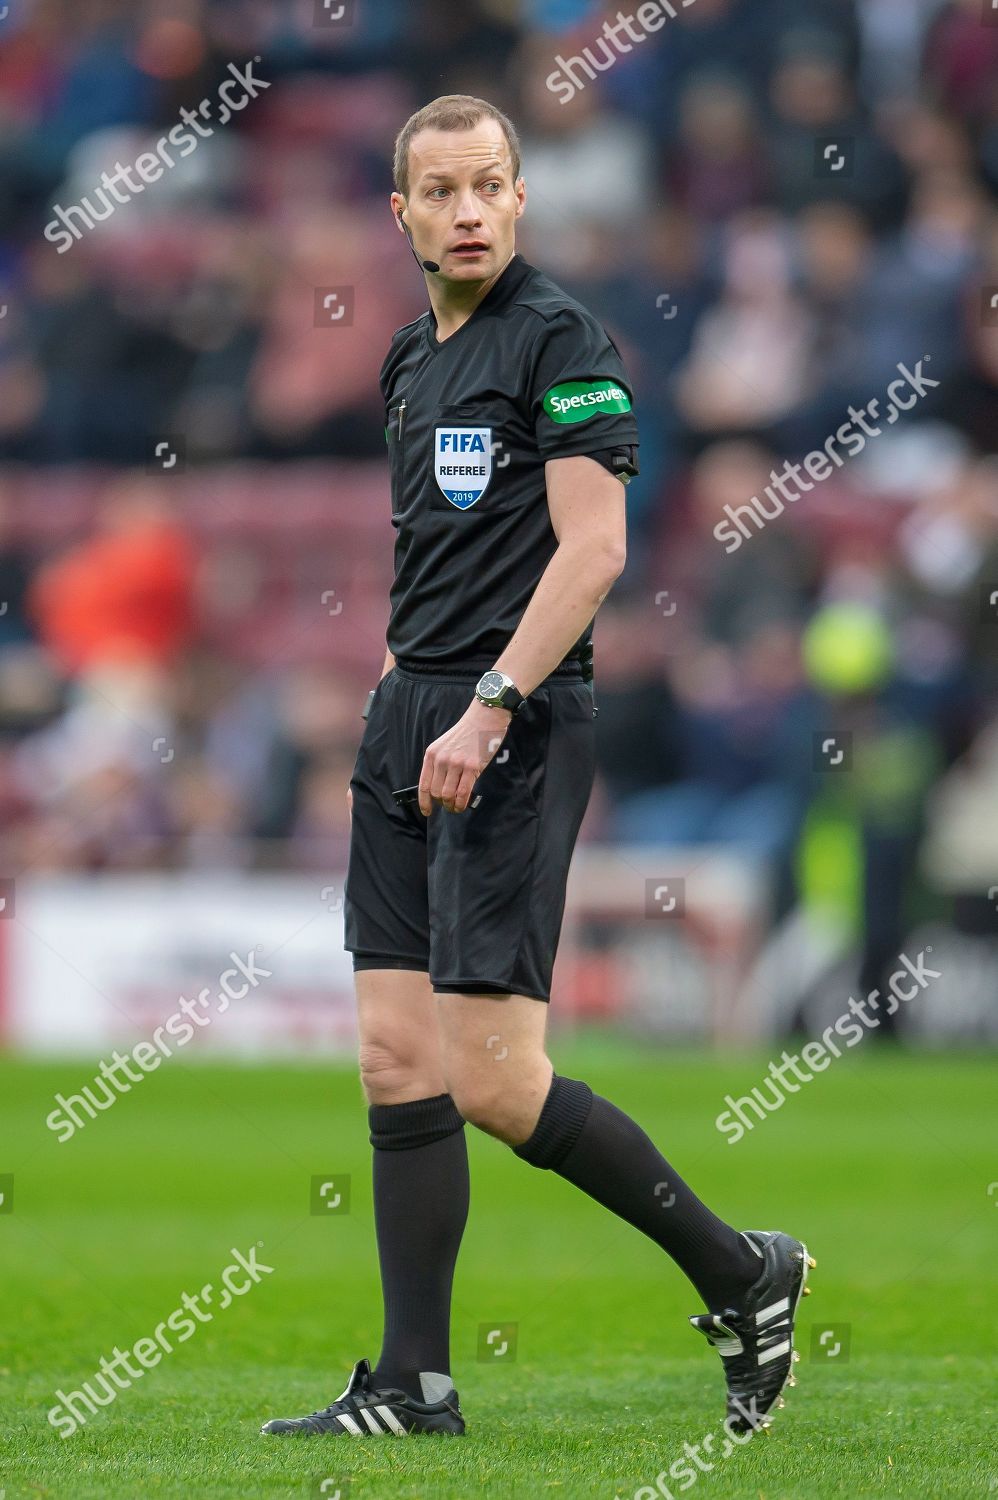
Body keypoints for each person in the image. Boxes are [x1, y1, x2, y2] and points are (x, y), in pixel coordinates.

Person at [261, 94, 812, 1442]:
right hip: (413, 715)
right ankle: (413, 1384)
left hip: (510, 724)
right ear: (398, 213)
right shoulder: (405, 358)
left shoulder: (561, 339)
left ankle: (746, 1273)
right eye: (435, 190)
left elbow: (596, 551)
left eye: (485, 186)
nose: (462, 210)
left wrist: (489, 703)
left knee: (496, 1079)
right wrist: (408, 697)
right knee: (395, 1060)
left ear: (518, 199)